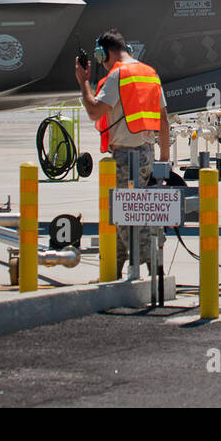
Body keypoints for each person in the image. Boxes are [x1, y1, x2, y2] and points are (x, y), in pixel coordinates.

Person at [75, 29, 171, 275]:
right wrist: (163, 160)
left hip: (126, 157)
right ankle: (113, 272)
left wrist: (83, 82)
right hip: (147, 155)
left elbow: (95, 111)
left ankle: (154, 273)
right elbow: (163, 120)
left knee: (125, 214)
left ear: (104, 53)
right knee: (124, 213)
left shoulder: (118, 75)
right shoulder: (149, 73)